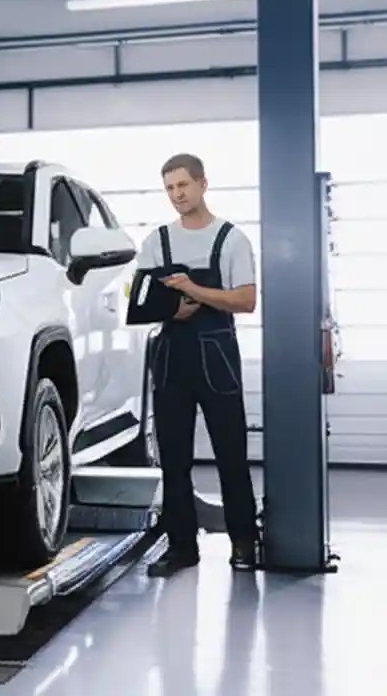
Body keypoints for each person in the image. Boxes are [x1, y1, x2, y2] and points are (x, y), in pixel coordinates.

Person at [134, 153, 260, 577]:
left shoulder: (231, 239)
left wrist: (193, 290)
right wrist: (172, 310)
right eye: (169, 188)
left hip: (217, 354)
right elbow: (138, 302)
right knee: (173, 458)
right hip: (171, 354)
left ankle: (244, 543)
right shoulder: (157, 241)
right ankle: (181, 547)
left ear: (203, 184)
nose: (177, 195)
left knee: (231, 453)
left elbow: (245, 300)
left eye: (183, 186)